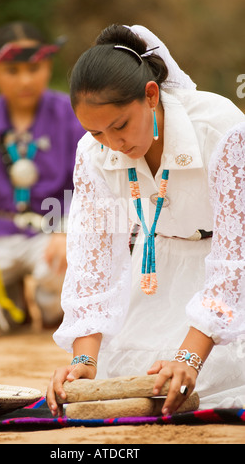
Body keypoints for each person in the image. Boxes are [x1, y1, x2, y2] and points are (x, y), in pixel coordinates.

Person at [46, 24, 245, 417]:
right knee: (135, 381)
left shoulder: (222, 130)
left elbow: (235, 260)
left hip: (230, 282)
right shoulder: (93, 153)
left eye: (119, 126)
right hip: (158, 277)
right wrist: (84, 364)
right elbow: (93, 263)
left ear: (150, 95)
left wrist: (189, 356)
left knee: (215, 379)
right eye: (95, 131)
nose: (112, 144)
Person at [0, 21, 84, 337]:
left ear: (48, 67)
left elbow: (90, 182)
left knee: (71, 269)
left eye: (34, 68)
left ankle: (51, 307)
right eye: (13, 70)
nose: (25, 79)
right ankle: (10, 307)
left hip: (53, 232)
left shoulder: (71, 114)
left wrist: (67, 229)